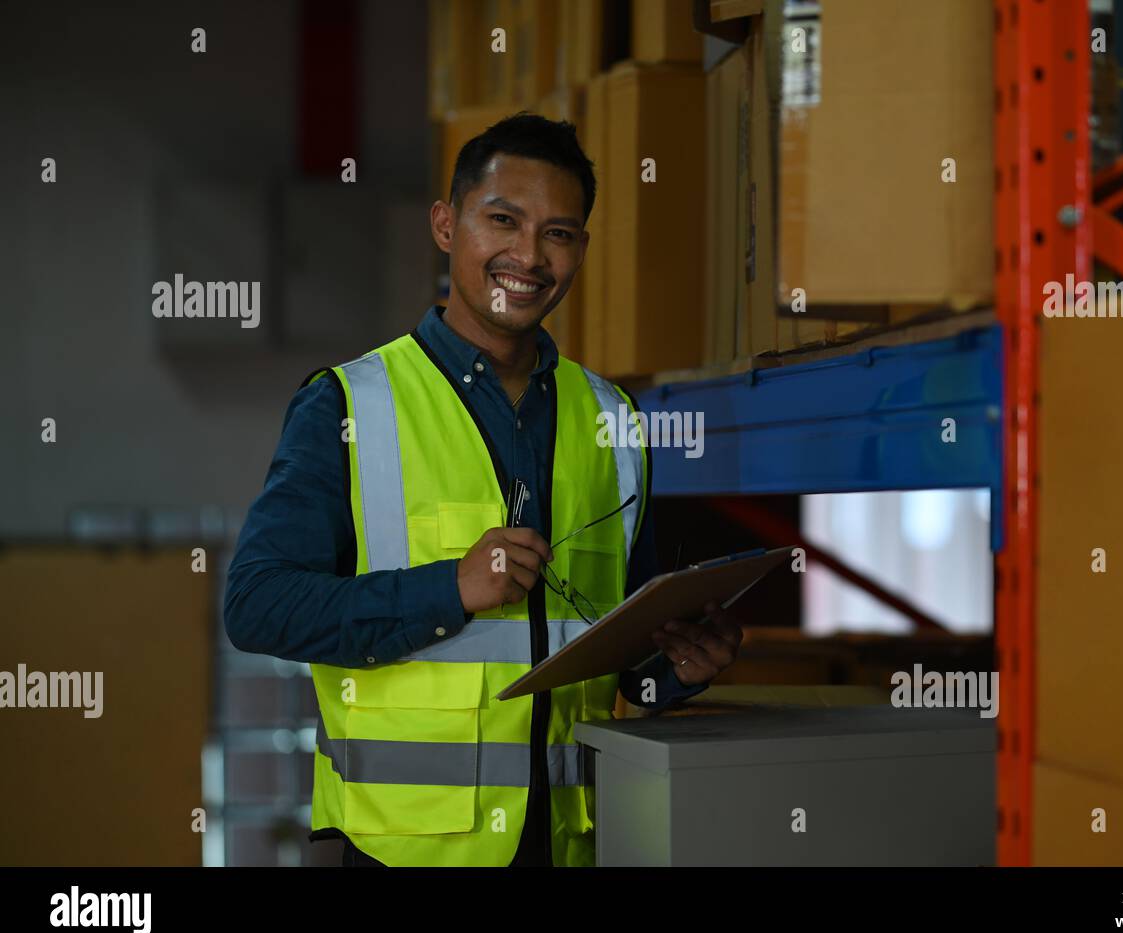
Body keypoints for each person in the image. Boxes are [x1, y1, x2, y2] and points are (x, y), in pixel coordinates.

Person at [224, 112, 745, 867]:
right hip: (394, 852)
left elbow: (625, 659)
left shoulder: (615, 422)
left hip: (569, 848)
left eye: (558, 234)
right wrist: (450, 589)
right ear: (445, 224)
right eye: (503, 220)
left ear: (581, 252)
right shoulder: (347, 405)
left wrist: (678, 672)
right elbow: (257, 607)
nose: (528, 256)